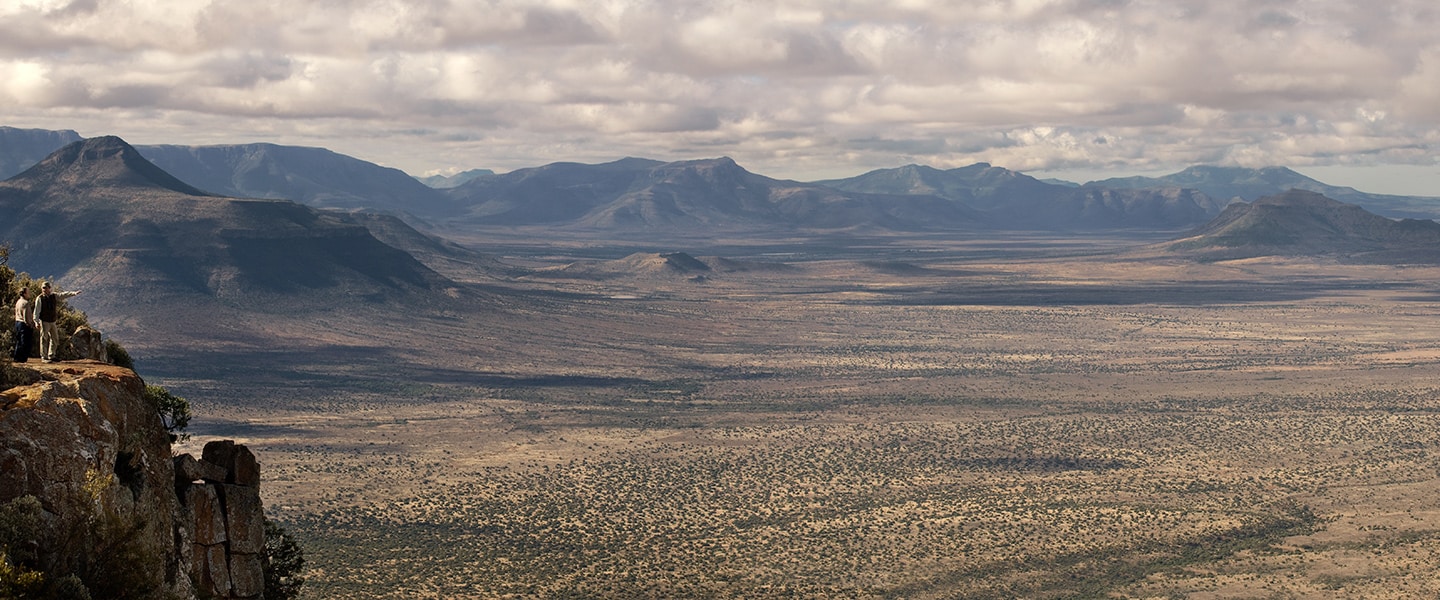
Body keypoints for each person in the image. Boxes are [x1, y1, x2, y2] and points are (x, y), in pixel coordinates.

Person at [34, 281, 80, 363]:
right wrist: (36, 322)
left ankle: (51, 355)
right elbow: (36, 311)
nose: (44, 289)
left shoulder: (53, 296)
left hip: (52, 321)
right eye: (43, 288)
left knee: (55, 338)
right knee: (44, 339)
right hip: (44, 322)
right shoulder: (40, 298)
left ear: (49, 289)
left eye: (46, 288)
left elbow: (63, 295)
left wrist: (74, 293)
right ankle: (44, 357)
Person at [12, 287, 35, 362]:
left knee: (19, 341)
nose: (29, 294)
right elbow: (26, 316)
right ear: (24, 294)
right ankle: (22, 359)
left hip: (17, 323)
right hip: (24, 324)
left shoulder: (18, 301)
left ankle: (16, 357)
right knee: (25, 342)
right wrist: (30, 324)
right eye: (28, 292)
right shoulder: (25, 303)